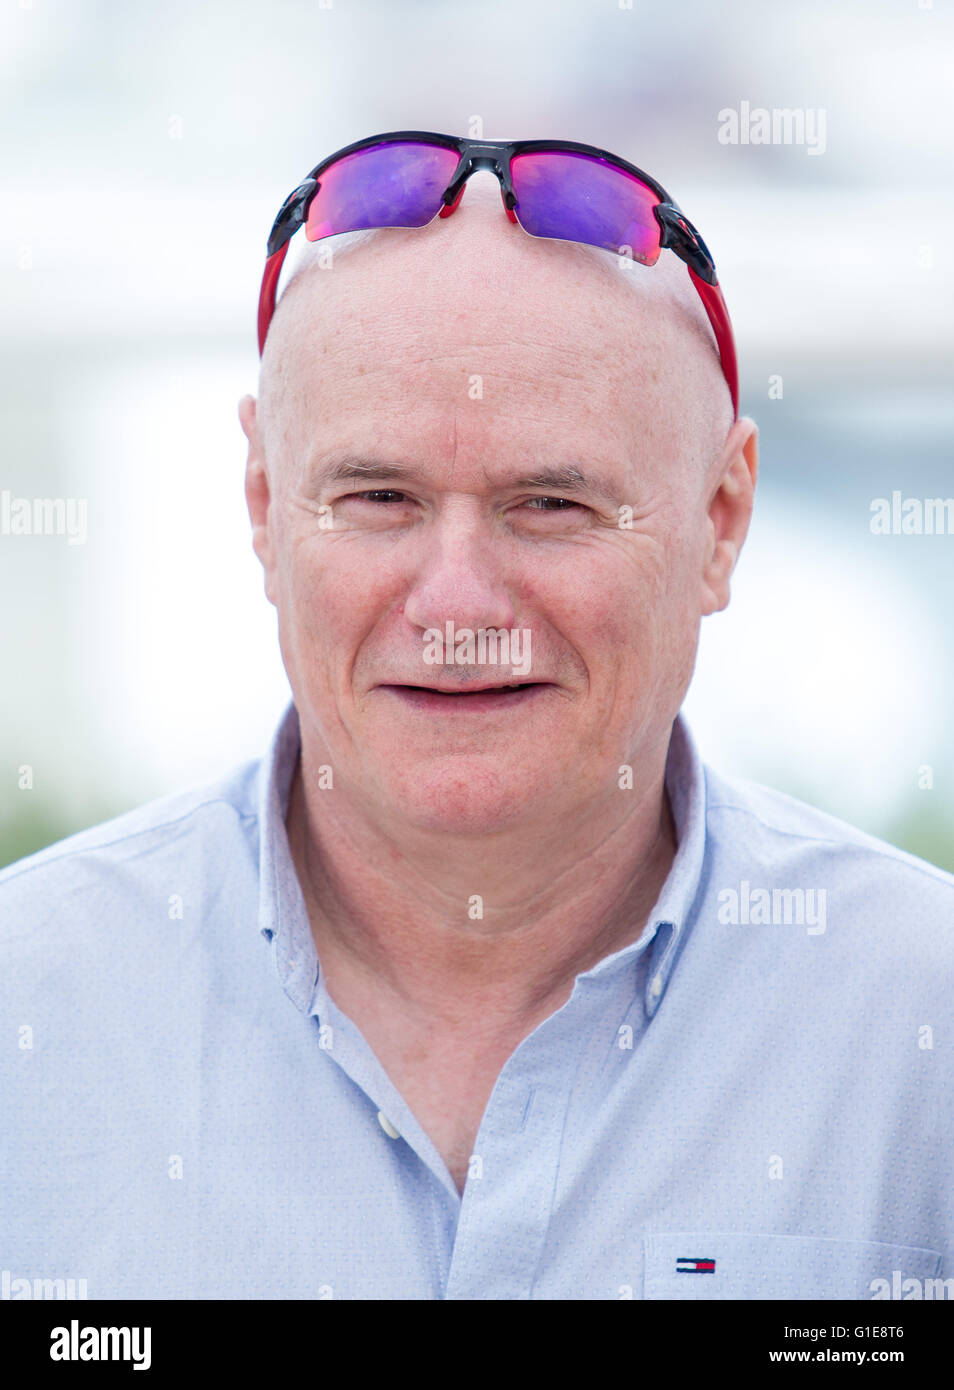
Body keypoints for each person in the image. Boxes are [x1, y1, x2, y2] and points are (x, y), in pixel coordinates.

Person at [1, 134, 951, 1302]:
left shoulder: (922, 1030)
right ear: (263, 508)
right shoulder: (27, 1012)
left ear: (722, 520)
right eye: (379, 499)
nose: (456, 603)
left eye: (550, 503)